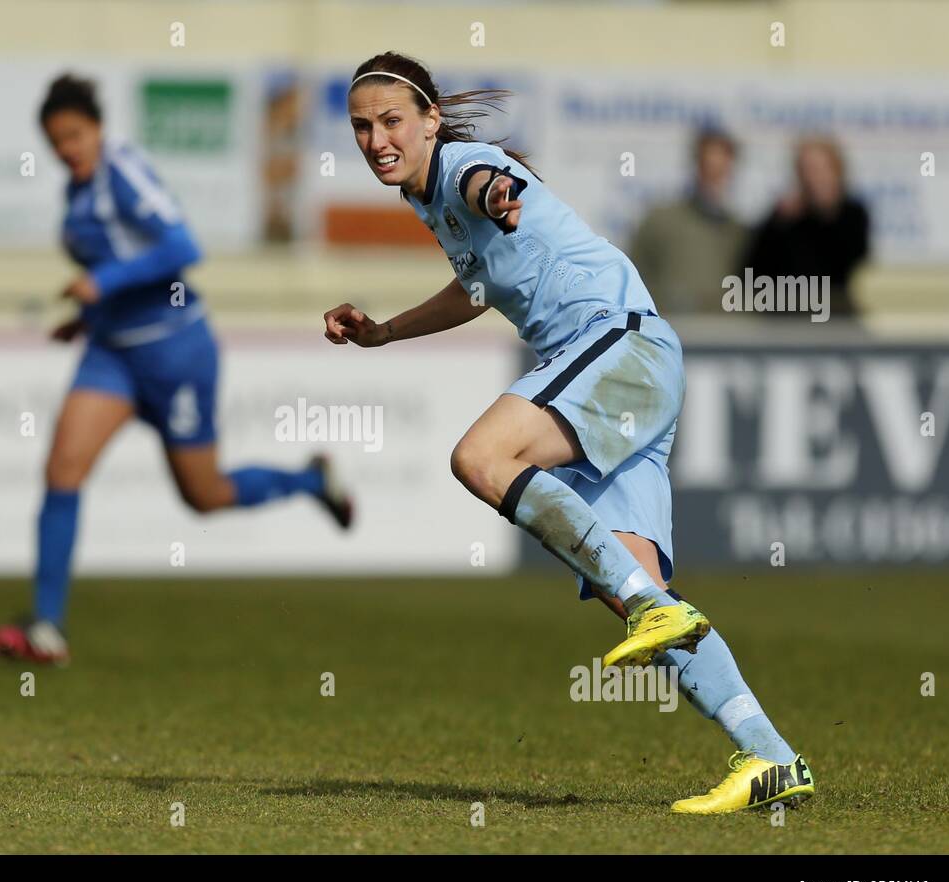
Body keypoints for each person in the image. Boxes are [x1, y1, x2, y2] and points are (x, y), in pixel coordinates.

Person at [323, 51, 812, 814]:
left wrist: (500, 193)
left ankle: (648, 606)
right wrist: (385, 333)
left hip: (618, 347)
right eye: (361, 126)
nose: (376, 138)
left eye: (391, 121)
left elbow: (492, 186)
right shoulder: (431, 199)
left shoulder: (460, 167)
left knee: (481, 457)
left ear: (428, 121)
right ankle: (772, 757)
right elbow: (477, 289)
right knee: (644, 594)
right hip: (633, 371)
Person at [0, 74, 351, 666]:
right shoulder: (77, 194)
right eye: (57, 142)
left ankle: (312, 481)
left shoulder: (122, 171)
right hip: (112, 353)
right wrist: (88, 315)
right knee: (62, 470)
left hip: (176, 352)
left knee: (204, 495)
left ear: (98, 128)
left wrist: (100, 282)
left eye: (75, 135)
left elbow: (182, 247)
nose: (67, 149)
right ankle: (46, 629)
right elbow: (123, 263)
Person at [744, 135, 870, 317]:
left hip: (836, 314)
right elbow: (754, 269)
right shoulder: (783, 217)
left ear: (836, 170)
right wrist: (779, 223)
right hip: (790, 316)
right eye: (806, 169)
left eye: (819, 168)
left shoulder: (852, 214)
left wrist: (827, 210)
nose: (812, 177)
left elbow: (850, 263)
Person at [627, 128, 748, 315]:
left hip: (723, 336)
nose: (715, 179)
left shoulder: (738, 232)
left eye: (721, 170)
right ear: (696, 166)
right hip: (670, 332)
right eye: (708, 168)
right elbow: (631, 277)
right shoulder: (660, 222)